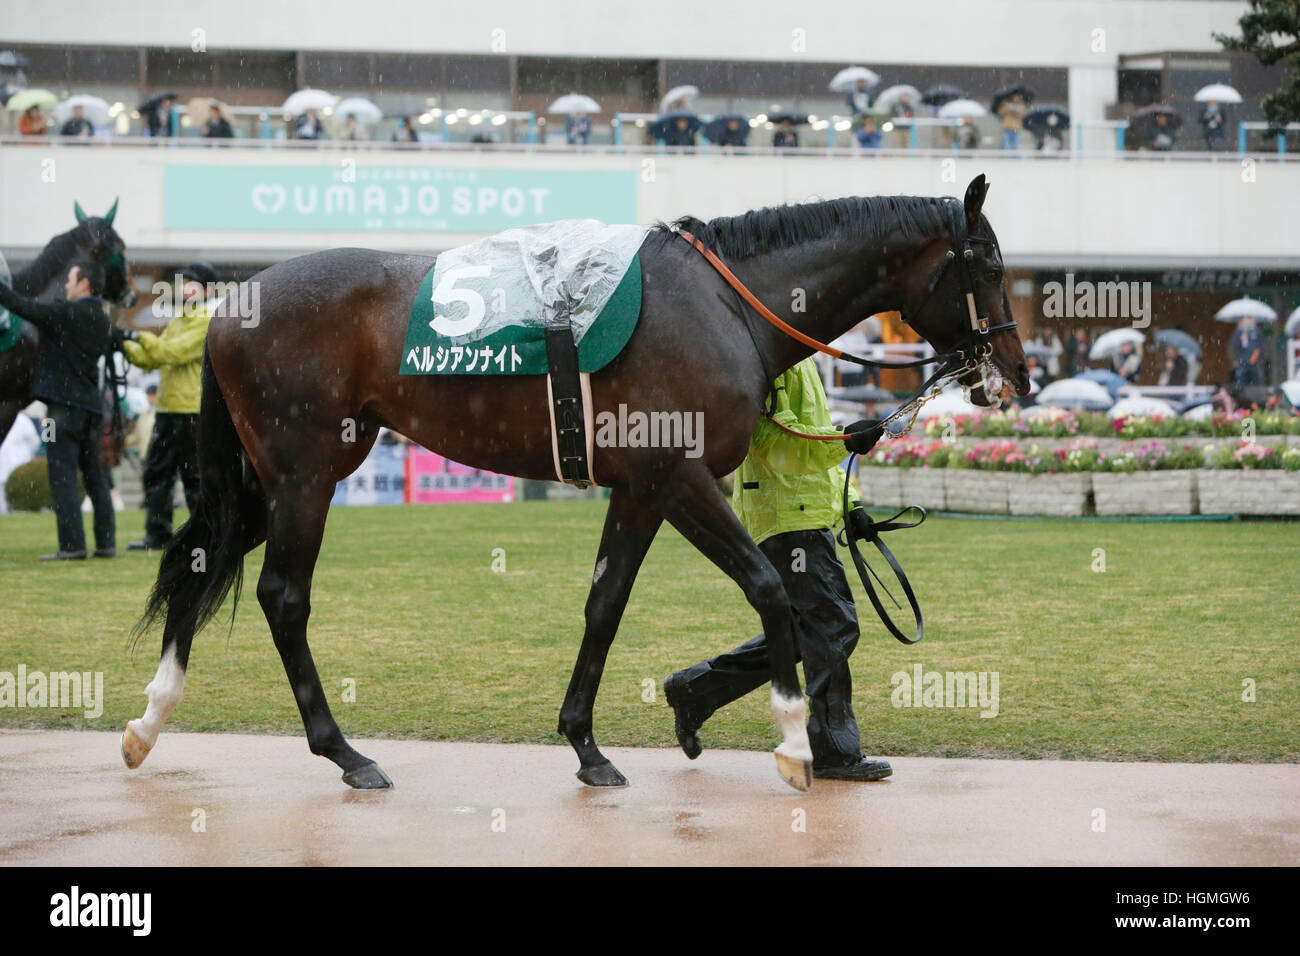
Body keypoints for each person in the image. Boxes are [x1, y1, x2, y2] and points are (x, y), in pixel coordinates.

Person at [663, 357, 894, 782]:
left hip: (800, 515)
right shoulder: (769, 358)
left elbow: (811, 442)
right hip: (787, 520)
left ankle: (695, 689)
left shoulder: (798, 356)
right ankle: (832, 750)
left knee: (800, 634)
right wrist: (845, 440)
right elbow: (778, 445)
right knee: (833, 625)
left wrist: (852, 504)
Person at [0, 263, 115, 559]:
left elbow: (20, 306)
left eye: (71, 280)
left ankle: (72, 546)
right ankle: (106, 543)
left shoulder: (65, 314)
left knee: (61, 475)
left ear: (85, 284)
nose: (66, 285)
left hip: (61, 411)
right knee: (95, 478)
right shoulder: (102, 319)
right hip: (92, 408)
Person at [121, 263, 217, 551]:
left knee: (194, 479)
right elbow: (151, 360)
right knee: (156, 473)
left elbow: (170, 353)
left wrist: (137, 336)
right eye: (183, 282)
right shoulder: (177, 321)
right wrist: (122, 344)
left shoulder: (206, 319)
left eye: (193, 284)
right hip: (166, 409)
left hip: (193, 410)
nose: (185, 288)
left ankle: (205, 538)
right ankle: (158, 535)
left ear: (208, 291)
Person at [1230, 316, 1263, 387]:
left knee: (1256, 382)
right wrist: (1234, 359)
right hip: (1242, 362)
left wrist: (1256, 358)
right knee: (1241, 382)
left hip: (1254, 363)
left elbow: (1261, 347)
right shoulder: (1238, 333)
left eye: (1250, 318)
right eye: (1246, 319)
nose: (1248, 321)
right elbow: (1233, 347)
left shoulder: (1257, 332)